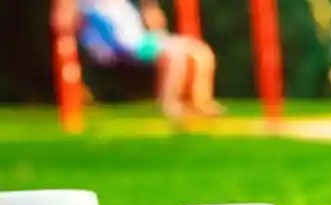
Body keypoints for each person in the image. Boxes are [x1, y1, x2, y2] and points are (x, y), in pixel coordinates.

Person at [58, 0, 222, 119]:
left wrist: (152, 18)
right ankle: (169, 104)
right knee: (174, 56)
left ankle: (200, 102)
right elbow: (68, 22)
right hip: (123, 47)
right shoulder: (88, 6)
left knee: (200, 51)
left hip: (142, 40)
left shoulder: (122, 5)